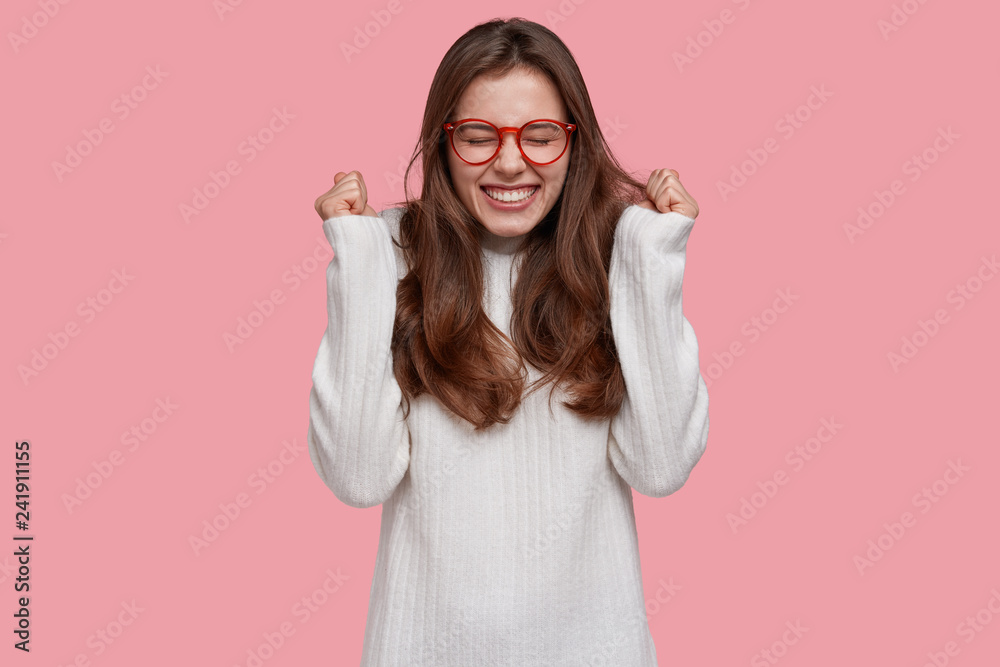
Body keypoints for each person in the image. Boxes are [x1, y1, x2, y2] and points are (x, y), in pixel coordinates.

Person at [308, 17, 709, 667]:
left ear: (574, 144)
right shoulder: (391, 258)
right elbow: (357, 474)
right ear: (443, 144)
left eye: (541, 136)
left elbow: (660, 466)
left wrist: (651, 254)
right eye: (478, 136)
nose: (511, 160)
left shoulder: (619, 266)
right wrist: (357, 261)